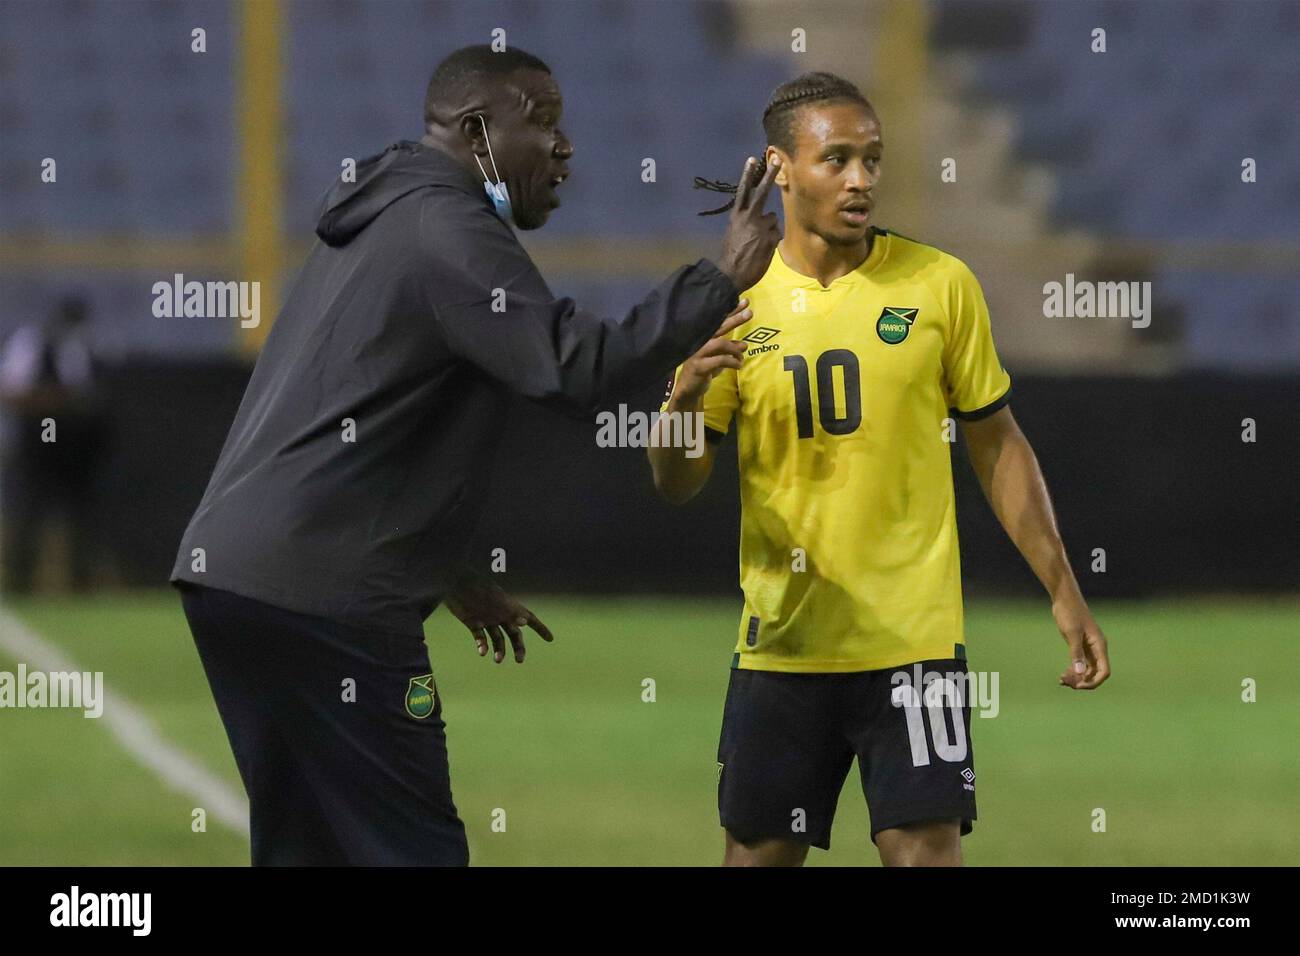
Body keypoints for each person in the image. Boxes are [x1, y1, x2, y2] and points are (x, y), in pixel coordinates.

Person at [171, 45, 780, 866]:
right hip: (328, 597)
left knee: (309, 851)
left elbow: (365, 411)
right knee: (415, 851)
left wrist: (446, 570)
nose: (564, 146)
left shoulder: (389, 216)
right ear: (475, 131)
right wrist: (720, 279)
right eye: (543, 122)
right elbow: (570, 368)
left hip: (240, 580)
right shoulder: (447, 225)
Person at [649, 72, 1110, 867]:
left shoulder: (940, 286)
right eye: (836, 160)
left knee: (927, 854)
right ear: (781, 167)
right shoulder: (731, 301)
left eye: (872, 159)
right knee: (755, 858)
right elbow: (677, 481)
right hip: (783, 643)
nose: (860, 179)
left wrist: (1064, 591)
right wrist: (683, 401)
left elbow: (997, 444)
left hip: (916, 645)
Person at [0, 294, 105, 593]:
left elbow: (93, 392)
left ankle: (81, 582)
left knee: (79, 511)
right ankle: (20, 582)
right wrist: (56, 401)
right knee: (29, 508)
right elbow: (12, 390)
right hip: (43, 434)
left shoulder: (89, 345)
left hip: (77, 443)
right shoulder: (33, 341)